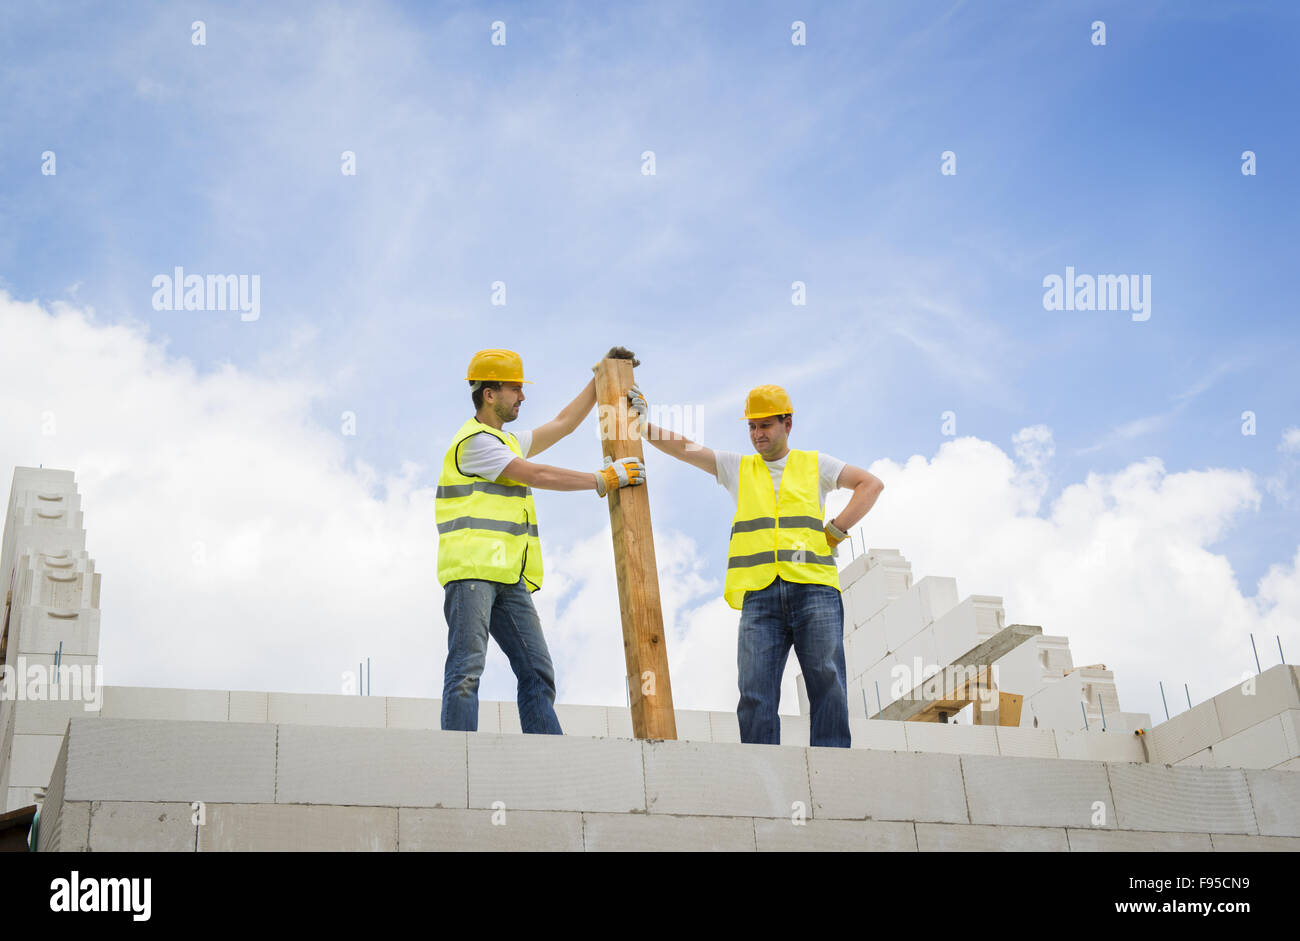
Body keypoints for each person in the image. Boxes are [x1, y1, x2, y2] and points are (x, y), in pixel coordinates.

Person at [634, 383, 884, 746]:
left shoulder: (816, 464)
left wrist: (836, 529)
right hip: (760, 596)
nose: (757, 434)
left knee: (827, 679)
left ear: (788, 424)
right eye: (751, 427)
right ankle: (761, 768)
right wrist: (644, 425)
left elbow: (871, 485)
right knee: (754, 692)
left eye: (765, 425)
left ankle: (832, 763)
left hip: (814, 589)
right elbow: (686, 449)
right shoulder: (738, 468)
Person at [435, 349, 645, 733]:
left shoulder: (506, 441)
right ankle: (458, 758)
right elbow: (535, 474)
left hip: (509, 577)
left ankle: (547, 752)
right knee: (467, 668)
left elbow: (564, 423)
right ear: (489, 394)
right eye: (515, 388)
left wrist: (599, 379)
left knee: (537, 669)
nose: (523, 396)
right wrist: (602, 479)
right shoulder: (476, 444)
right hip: (472, 573)